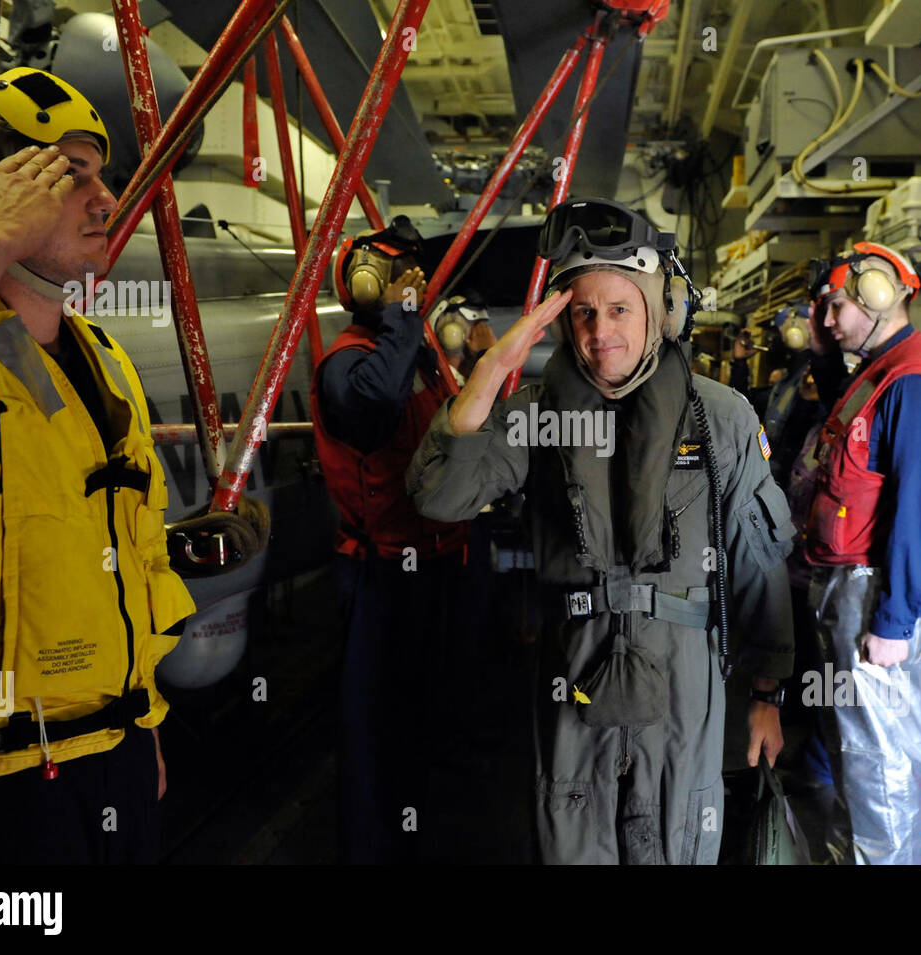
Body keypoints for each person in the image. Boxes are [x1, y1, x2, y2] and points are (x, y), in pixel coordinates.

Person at [406, 197, 797, 864]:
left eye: (619, 308)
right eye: (583, 312)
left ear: (659, 309)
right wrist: (489, 375)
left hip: (684, 680)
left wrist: (766, 695)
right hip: (576, 675)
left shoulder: (718, 418)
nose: (599, 331)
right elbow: (437, 495)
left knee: (678, 839)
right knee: (571, 829)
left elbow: (758, 565)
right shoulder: (535, 414)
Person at [0, 68, 195, 863]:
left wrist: (139, 721)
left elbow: (121, 553)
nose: (108, 199)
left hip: (114, 760)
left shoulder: (95, 359)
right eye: (71, 174)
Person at [312, 217, 492, 863]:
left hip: (444, 564)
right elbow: (372, 407)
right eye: (403, 276)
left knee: (435, 718)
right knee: (376, 733)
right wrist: (399, 319)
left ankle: (430, 838)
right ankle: (374, 848)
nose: (416, 286)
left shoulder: (414, 354)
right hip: (383, 576)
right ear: (368, 283)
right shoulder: (351, 362)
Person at [800, 241, 921, 864]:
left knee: (884, 772)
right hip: (855, 591)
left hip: (880, 597)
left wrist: (895, 623)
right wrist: (823, 360)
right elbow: (849, 438)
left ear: (878, 299)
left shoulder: (916, 383)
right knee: (858, 763)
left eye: (837, 306)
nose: (826, 320)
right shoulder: (880, 371)